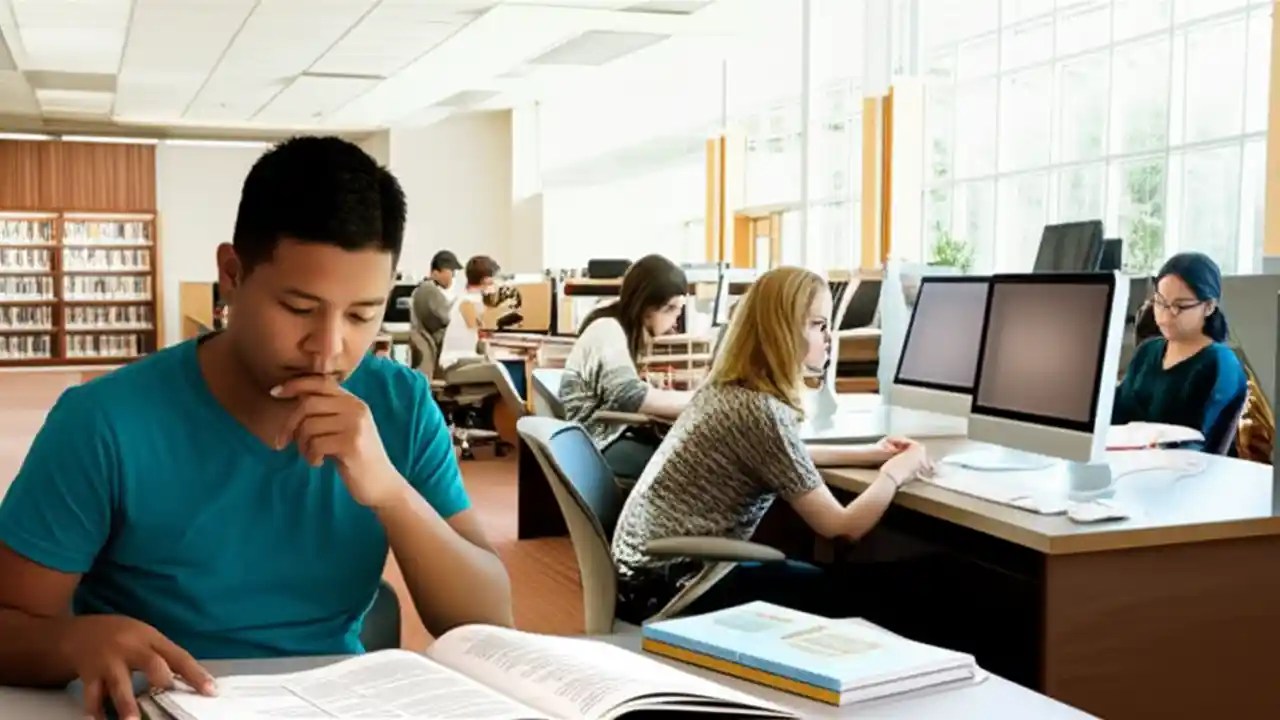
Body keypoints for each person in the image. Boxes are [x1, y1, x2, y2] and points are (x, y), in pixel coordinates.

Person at [0, 137, 513, 718]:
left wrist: (392, 492)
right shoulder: (104, 422)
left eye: (362, 314)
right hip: (161, 703)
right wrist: (72, 642)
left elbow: (489, 623)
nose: (328, 348)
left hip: (330, 704)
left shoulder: (401, 406)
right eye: (298, 308)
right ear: (231, 274)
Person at [611, 266, 931, 624]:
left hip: (648, 573)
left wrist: (871, 454)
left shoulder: (729, 391)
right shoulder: (759, 412)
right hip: (678, 587)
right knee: (886, 592)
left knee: (870, 580)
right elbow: (842, 527)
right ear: (783, 331)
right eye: (819, 325)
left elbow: (784, 458)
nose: (829, 337)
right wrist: (895, 474)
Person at [560, 254, 693, 483]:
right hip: (598, 444)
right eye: (672, 309)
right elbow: (629, 396)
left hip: (606, 437)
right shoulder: (606, 329)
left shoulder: (618, 331)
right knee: (691, 471)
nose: (676, 320)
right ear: (647, 306)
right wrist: (698, 400)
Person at [1113, 252, 1248, 452]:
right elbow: (1115, 416)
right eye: (1160, 302)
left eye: (1179, 306)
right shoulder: (1147, 351)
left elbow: (1192, 442)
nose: (1166, 314)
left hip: (1186, 473)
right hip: (1131, 466)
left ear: (1209, 307)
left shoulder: (1218, 362)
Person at [438, 255, 500, 372]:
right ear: (486, 280)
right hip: (456, 360)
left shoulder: (470, 299)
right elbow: (480, 328)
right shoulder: (468, 302)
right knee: (498, 367)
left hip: (464, 356)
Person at [409, 250, 463, 371]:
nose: (453, 276)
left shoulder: (425, 289)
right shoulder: (428, 290)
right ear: (435, 272)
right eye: (451, 271)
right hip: (429, 357)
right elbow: (444, 320)